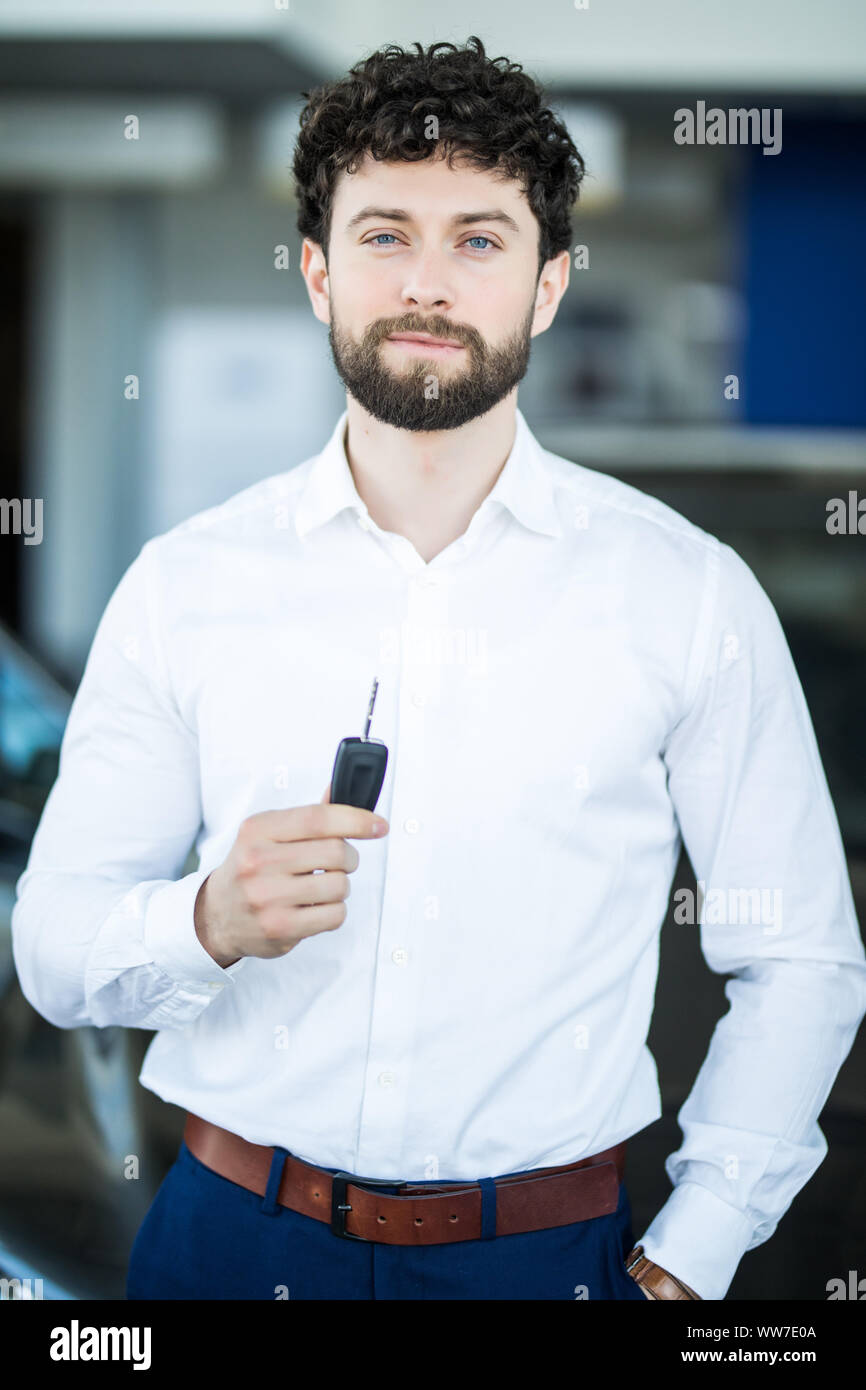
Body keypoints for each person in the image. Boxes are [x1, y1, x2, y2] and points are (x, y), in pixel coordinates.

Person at [12, 36, 866, 1303]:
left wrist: (688, 1262)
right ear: (315, 271)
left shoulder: (682, 595)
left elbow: (798, 958)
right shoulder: (186, 585)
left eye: (477, 238)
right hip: (223, 1243)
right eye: (382, 235)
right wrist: (205, 918)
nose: (426, 282)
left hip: (543, 1258)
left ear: (548, 283)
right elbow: (57, 948)